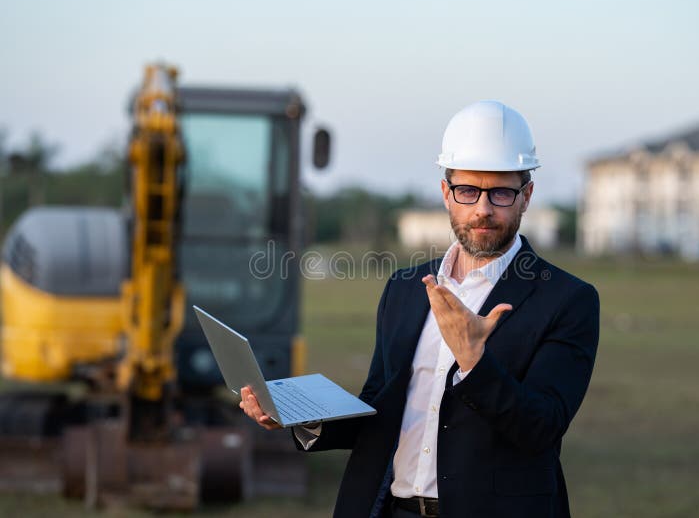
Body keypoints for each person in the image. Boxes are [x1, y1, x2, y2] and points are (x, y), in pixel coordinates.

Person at [240, 100, 600, 518]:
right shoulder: (406, 287)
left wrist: (474, 362)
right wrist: (297, 415)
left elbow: (542, 427)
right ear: (446, 193)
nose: (483, 209)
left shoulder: (567, 300)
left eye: (501, 192)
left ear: (527, 196)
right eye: (468, 190)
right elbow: (380, 406)